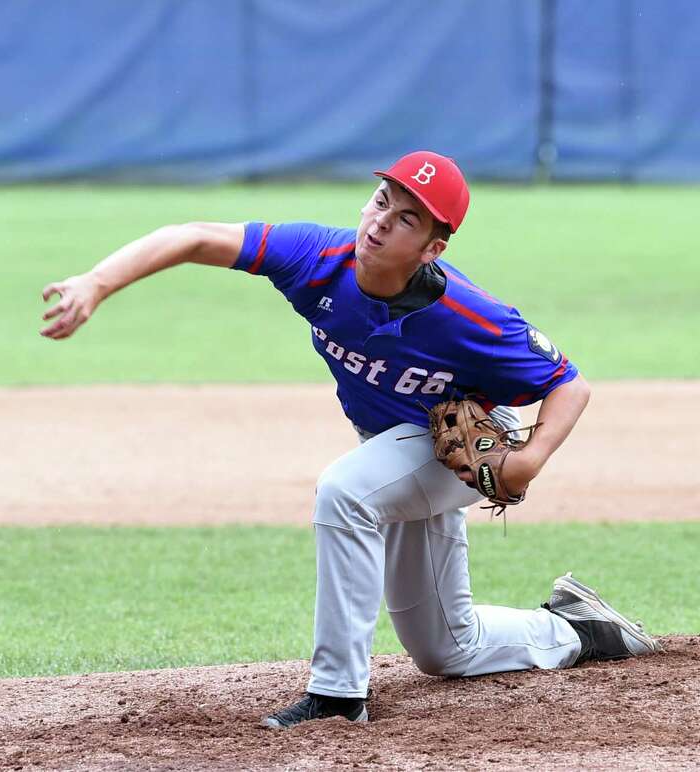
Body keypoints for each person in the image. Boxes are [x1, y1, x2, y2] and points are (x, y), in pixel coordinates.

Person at [39, 151, 662, 726]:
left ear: (432, 247)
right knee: (446, 647)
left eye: (408, 218)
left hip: (451, 458)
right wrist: (96, 282)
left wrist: (530, 459)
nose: (383, 220)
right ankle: (578, 629)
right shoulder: (314, 257)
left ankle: (338, 694)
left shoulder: (475, 319)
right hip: (388, 451)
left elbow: (568, 384)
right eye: (383, 200)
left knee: (346, 492)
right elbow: (193, 237)